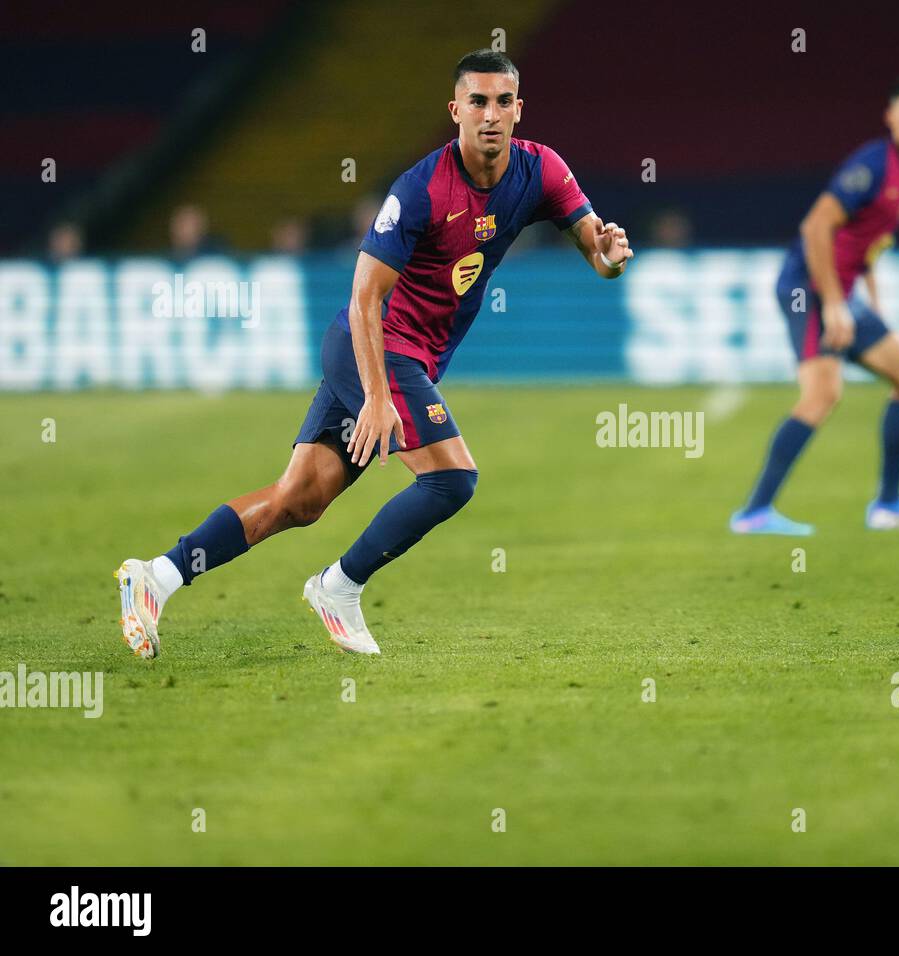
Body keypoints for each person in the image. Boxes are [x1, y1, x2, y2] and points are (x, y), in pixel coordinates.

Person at [115, 49, 634, 657]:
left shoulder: (541, 170)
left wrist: (610, 258)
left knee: (298, 501)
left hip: (404, 361)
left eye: (502, 102)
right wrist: (380, 399)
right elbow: (364, 297)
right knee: (453, 477)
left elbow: (596, 254)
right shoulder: (421, 190)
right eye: (477, 102)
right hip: (376, 347)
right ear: (455, 111)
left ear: (519, 110)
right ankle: (339, 586)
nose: (489, 115)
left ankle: (155, 576)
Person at [731, 73, 899, 535]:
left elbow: (866, 240)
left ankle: (889, 506)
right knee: (822, 395)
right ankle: (754, 513)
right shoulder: (872, 164)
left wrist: (870, 300)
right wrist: (834, 303)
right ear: (890, 116)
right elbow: (817, 228)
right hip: (808, 286)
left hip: (842, 292)